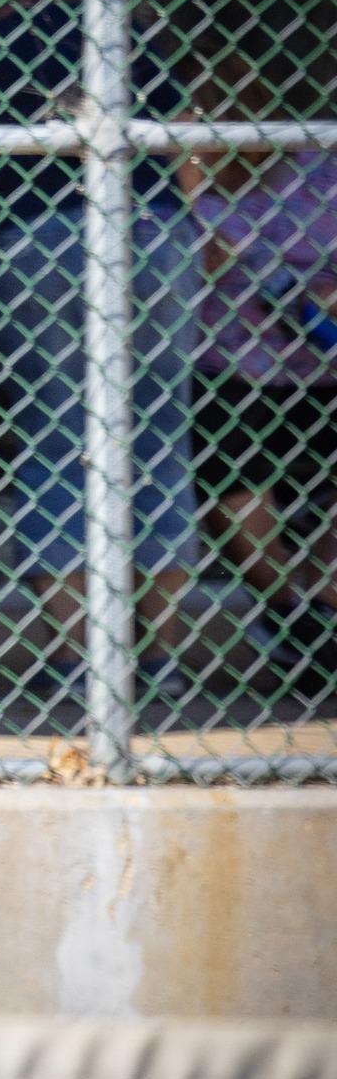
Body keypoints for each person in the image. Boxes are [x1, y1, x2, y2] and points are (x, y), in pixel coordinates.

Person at [0, 0, 200, 699]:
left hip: (40, 240)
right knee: (160, 435)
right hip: (155, 231)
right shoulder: (118, 33)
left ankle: (83, 660)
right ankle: (159, 654)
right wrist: (190, 241)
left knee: (53, 443)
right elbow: (184, 152)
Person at [184, 58, 337, 667]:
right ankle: (290, 611)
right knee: (217, 445)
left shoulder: (320, 175)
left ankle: (325, 598)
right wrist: (198, 191)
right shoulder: (181, 191)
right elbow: (188, 275)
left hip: (322, 363)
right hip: (227, 370)